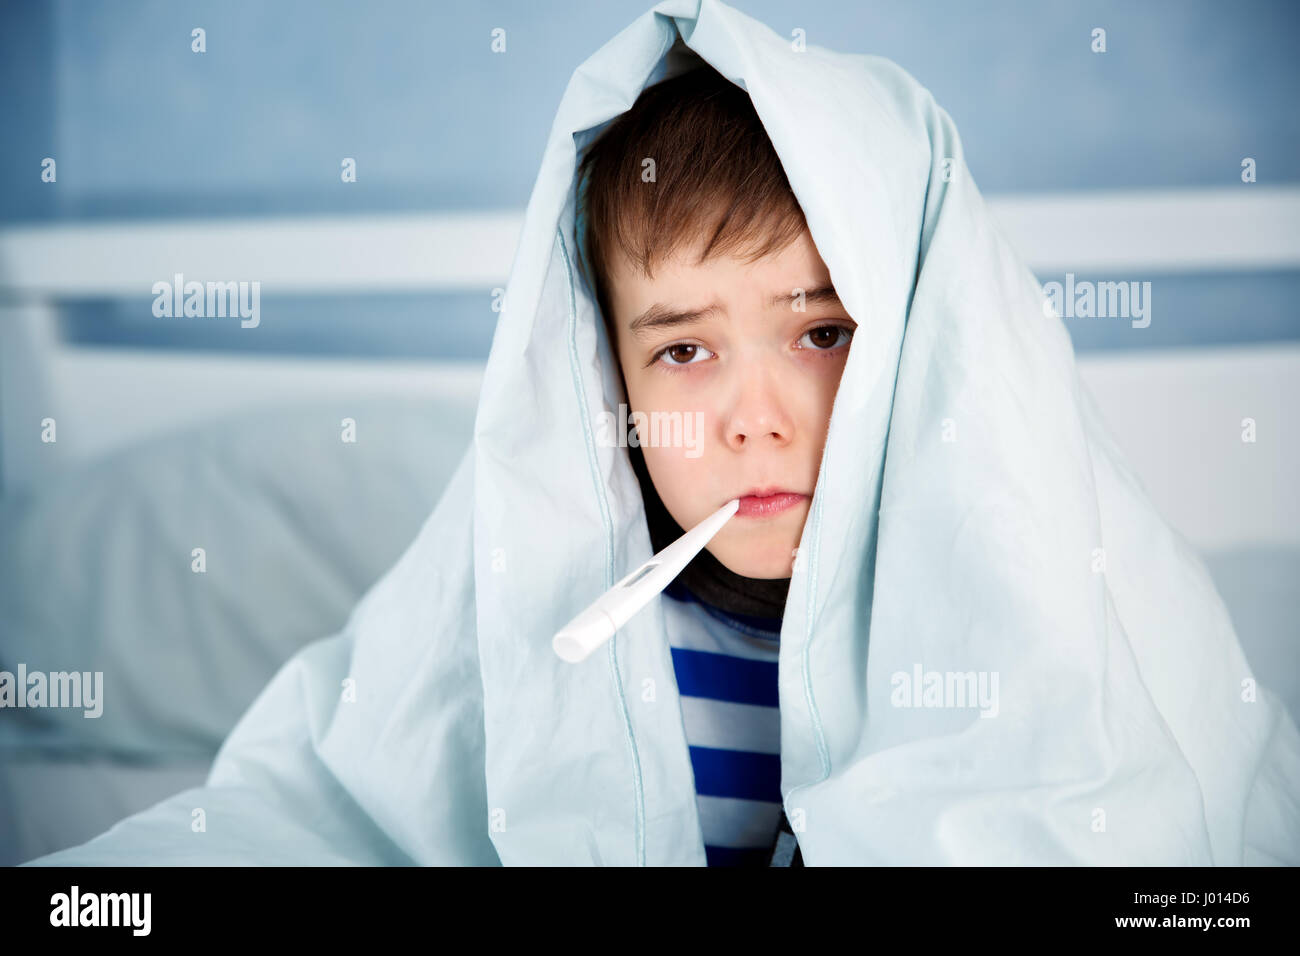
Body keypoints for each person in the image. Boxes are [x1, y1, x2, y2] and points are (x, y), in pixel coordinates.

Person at [25, 0, 1300, 867]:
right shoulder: (542, 598)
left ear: (924, 341)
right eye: (683, 351)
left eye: (822, 333)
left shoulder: (1048, 601)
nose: (755, 416)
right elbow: (323, 803)